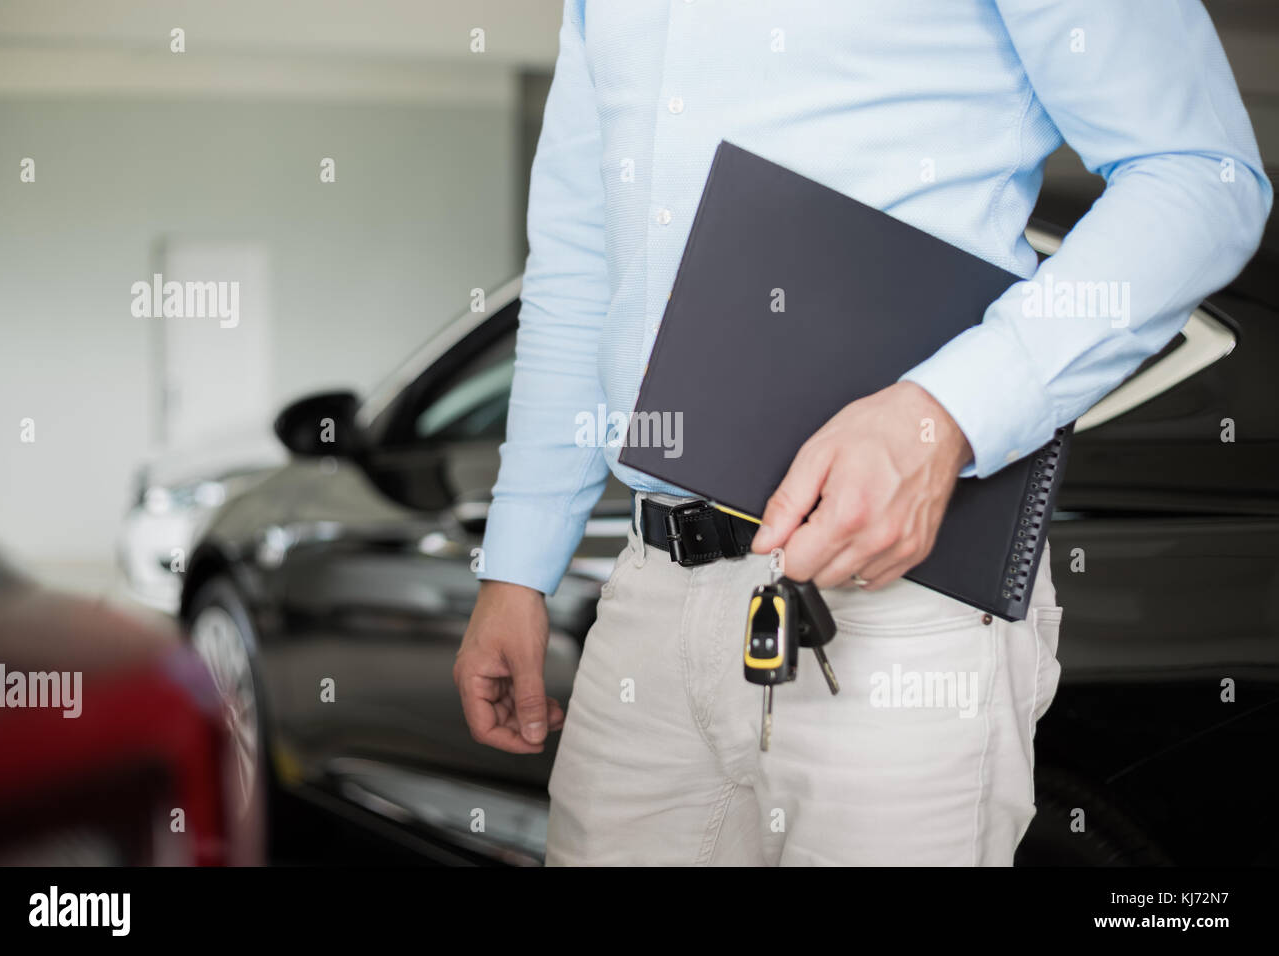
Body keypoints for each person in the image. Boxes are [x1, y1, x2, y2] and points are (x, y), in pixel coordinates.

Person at [453, 0, 1270, 865]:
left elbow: (1201, 177)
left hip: (902, 598)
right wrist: (518, 566)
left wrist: (945, 414)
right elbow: (580, 264)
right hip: (648, 600)